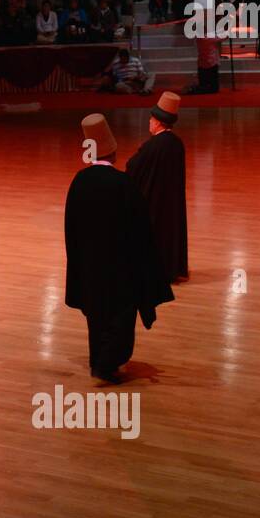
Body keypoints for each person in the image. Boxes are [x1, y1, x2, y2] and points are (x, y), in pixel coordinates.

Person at [64, 114, 173, 383]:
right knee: (120, 317)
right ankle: (106, 364)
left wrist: (78, 261)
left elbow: (71, 228)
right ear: (112, 153)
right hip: (120, 266)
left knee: (97, 317)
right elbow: (141, 229)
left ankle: (97, 359)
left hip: (90, 265)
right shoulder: (123, 184)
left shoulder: (79, 182)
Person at [125, 93, 189, 284]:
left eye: (152, 119)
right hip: (172, 201)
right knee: (170, 232)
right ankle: (171, 268)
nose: (150, 122)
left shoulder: (152, 146)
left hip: (152, 200)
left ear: (159, 122)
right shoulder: (177, 144)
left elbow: (132, 166)